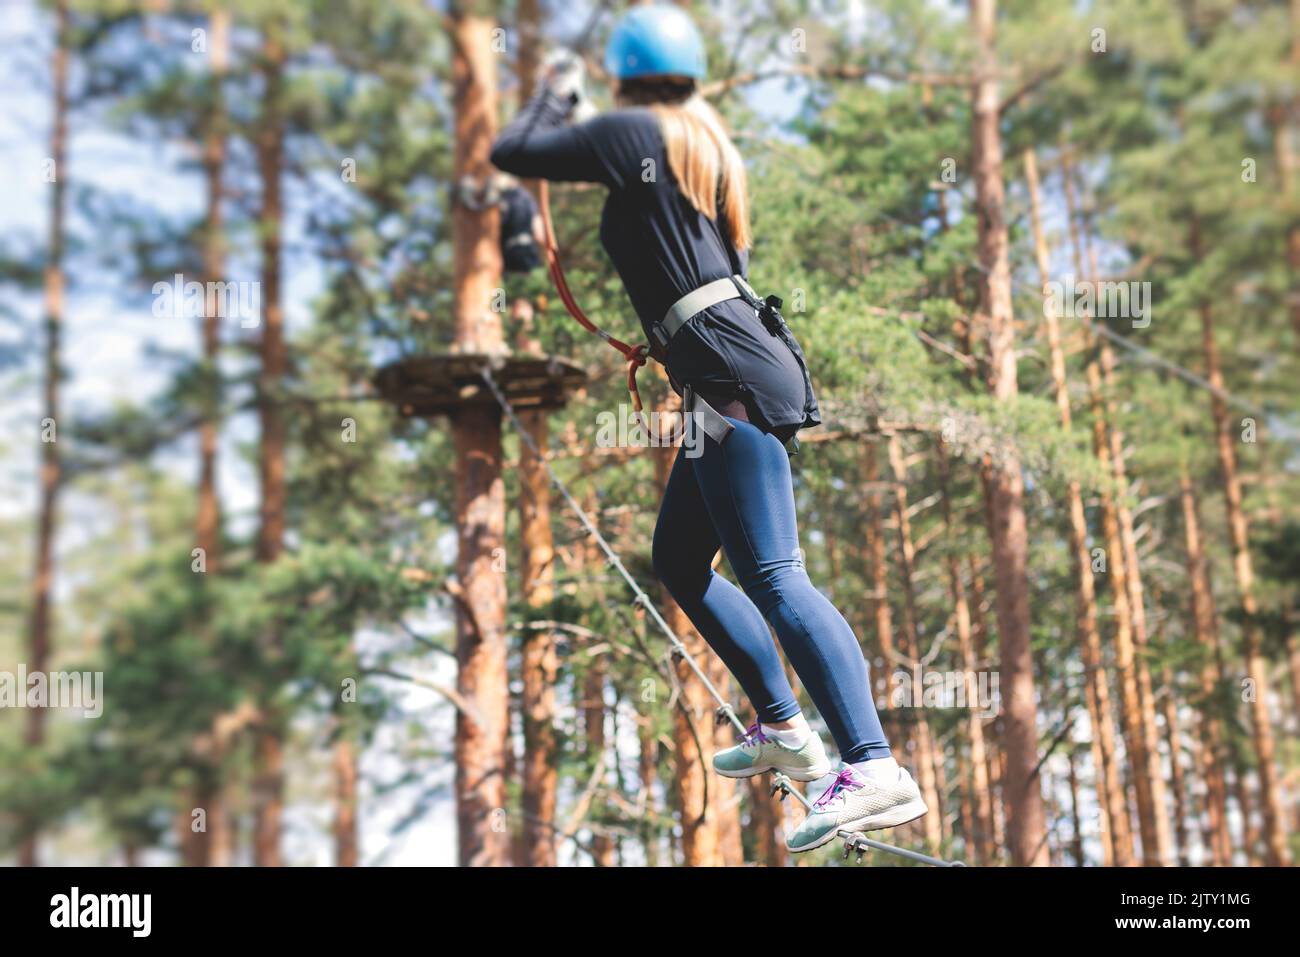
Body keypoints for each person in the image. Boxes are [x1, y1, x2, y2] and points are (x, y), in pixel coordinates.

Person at [490, 4, 927, 853]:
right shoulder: (689, 143)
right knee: (681, 560)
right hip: (722, 377)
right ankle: (787, 729)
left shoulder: (640, 134)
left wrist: (552, 88)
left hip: (729, 381)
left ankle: (873, 763)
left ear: (626, 75)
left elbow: (516, 148)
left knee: (772, 572)